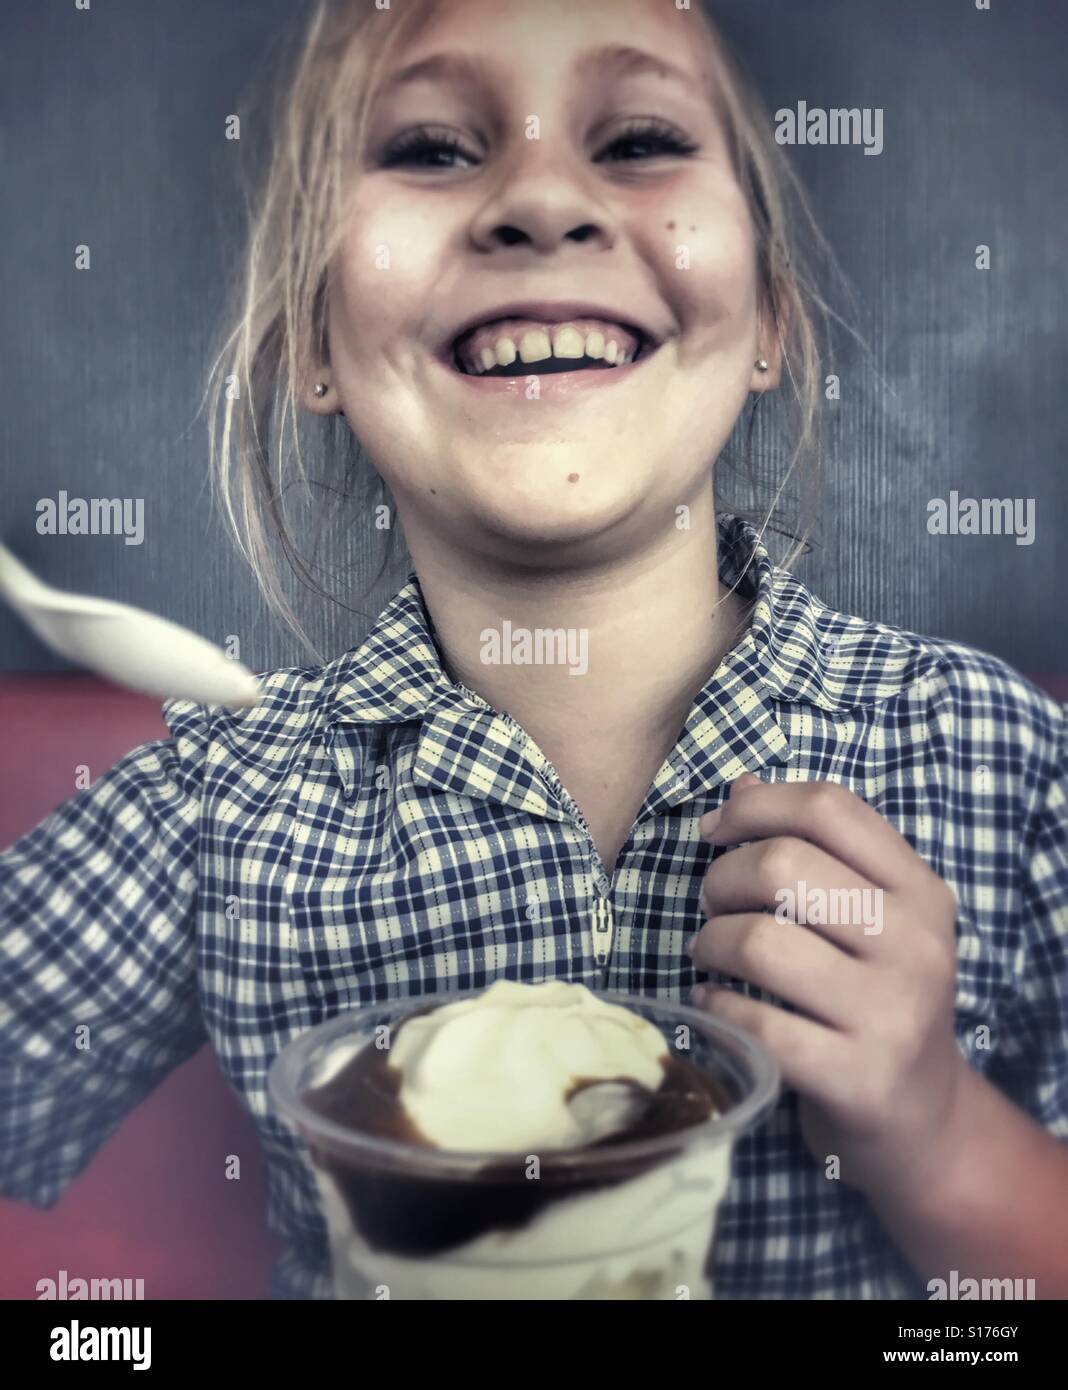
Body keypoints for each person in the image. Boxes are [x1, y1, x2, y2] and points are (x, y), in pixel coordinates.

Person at [2, 0, 1065, 1300]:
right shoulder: (213, 810)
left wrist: (935, 1128)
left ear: (772, 322)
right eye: (437, 149)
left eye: (639, 138)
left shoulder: (993, 759)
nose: (542, 200)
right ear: (316, 339)